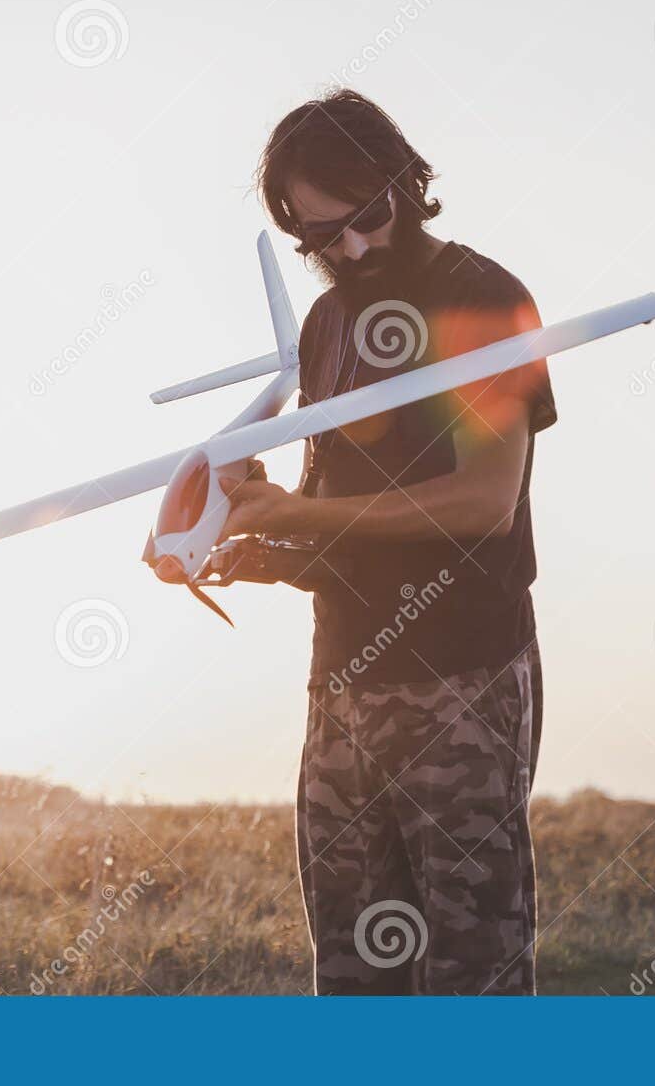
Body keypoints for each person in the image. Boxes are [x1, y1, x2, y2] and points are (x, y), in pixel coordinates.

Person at [222, 89, 557, 994]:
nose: (354, 249)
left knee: (471, 977)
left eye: (368, 216)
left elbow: (486, 500)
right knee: (356, 976)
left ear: (407, 180)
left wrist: (298, 520)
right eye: (323, 239)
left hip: (462, 682)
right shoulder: (326, 326)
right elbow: (326, 510)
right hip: (341, 688)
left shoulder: (482, 297)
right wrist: (262, 546)